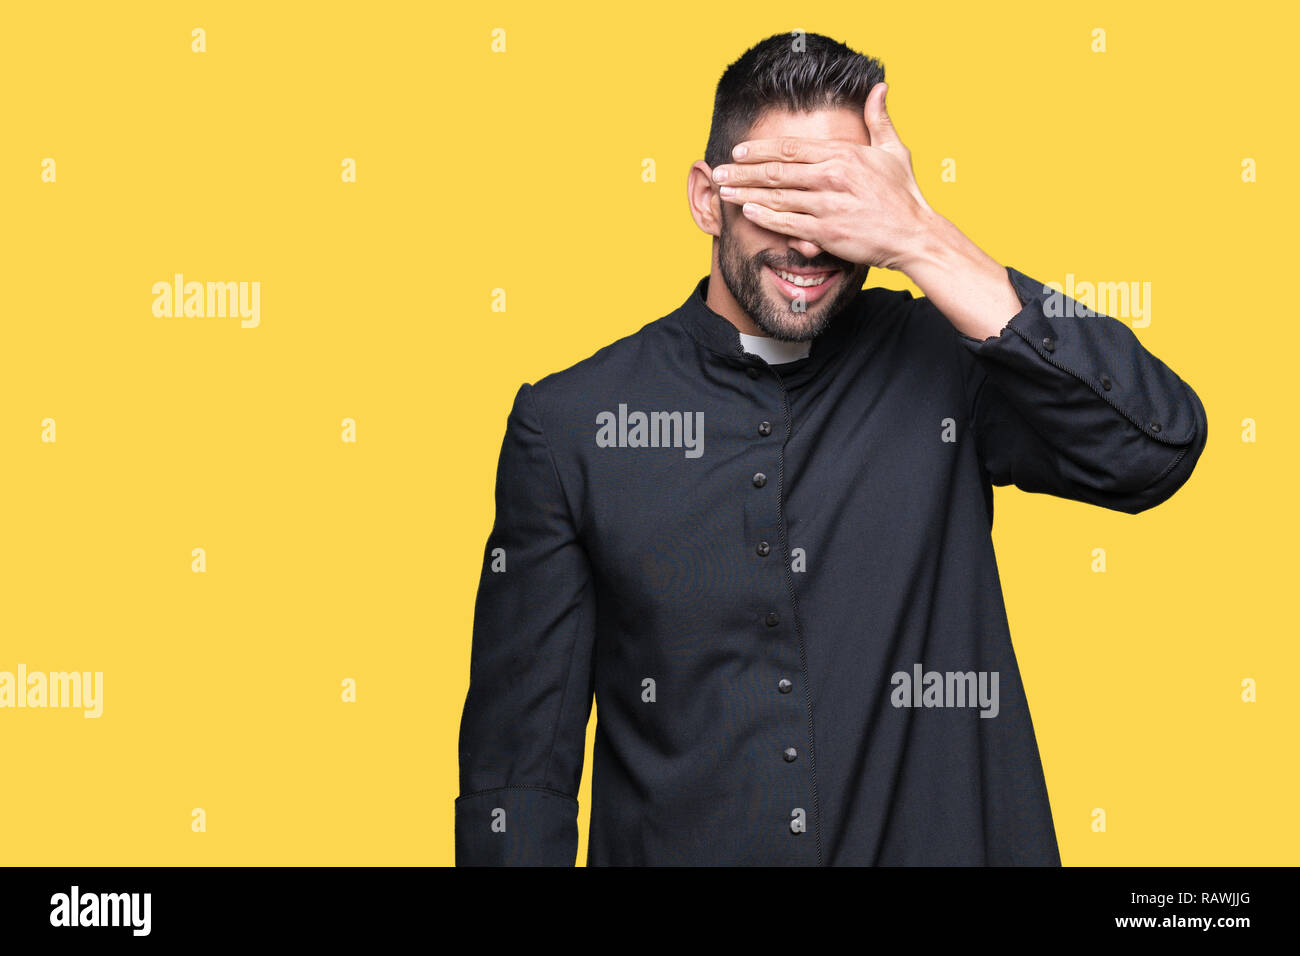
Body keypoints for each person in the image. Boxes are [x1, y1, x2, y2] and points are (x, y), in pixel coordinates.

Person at [455, 32, 1208, 866]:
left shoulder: (953, 364)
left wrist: (923, 240)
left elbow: (1155, 446)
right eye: (783, 198)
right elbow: (518, 775)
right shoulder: (569, 423)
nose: (811, 244)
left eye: (839, 203)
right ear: (708, 200)